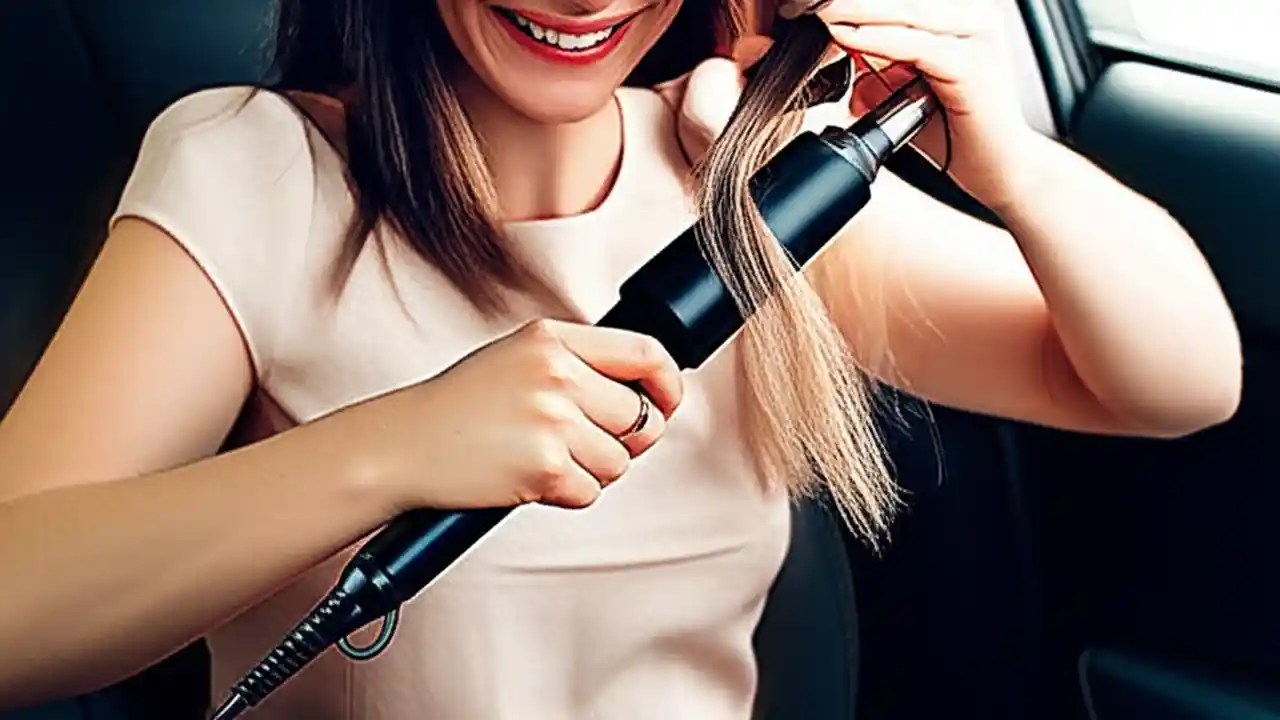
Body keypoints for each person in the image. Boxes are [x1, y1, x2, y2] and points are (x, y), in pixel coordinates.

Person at [0, 0, 1241, 717]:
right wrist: (389, 449)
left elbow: (1178, 382)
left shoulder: (741, 181)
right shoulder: (258, 173)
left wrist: (1008, 166)